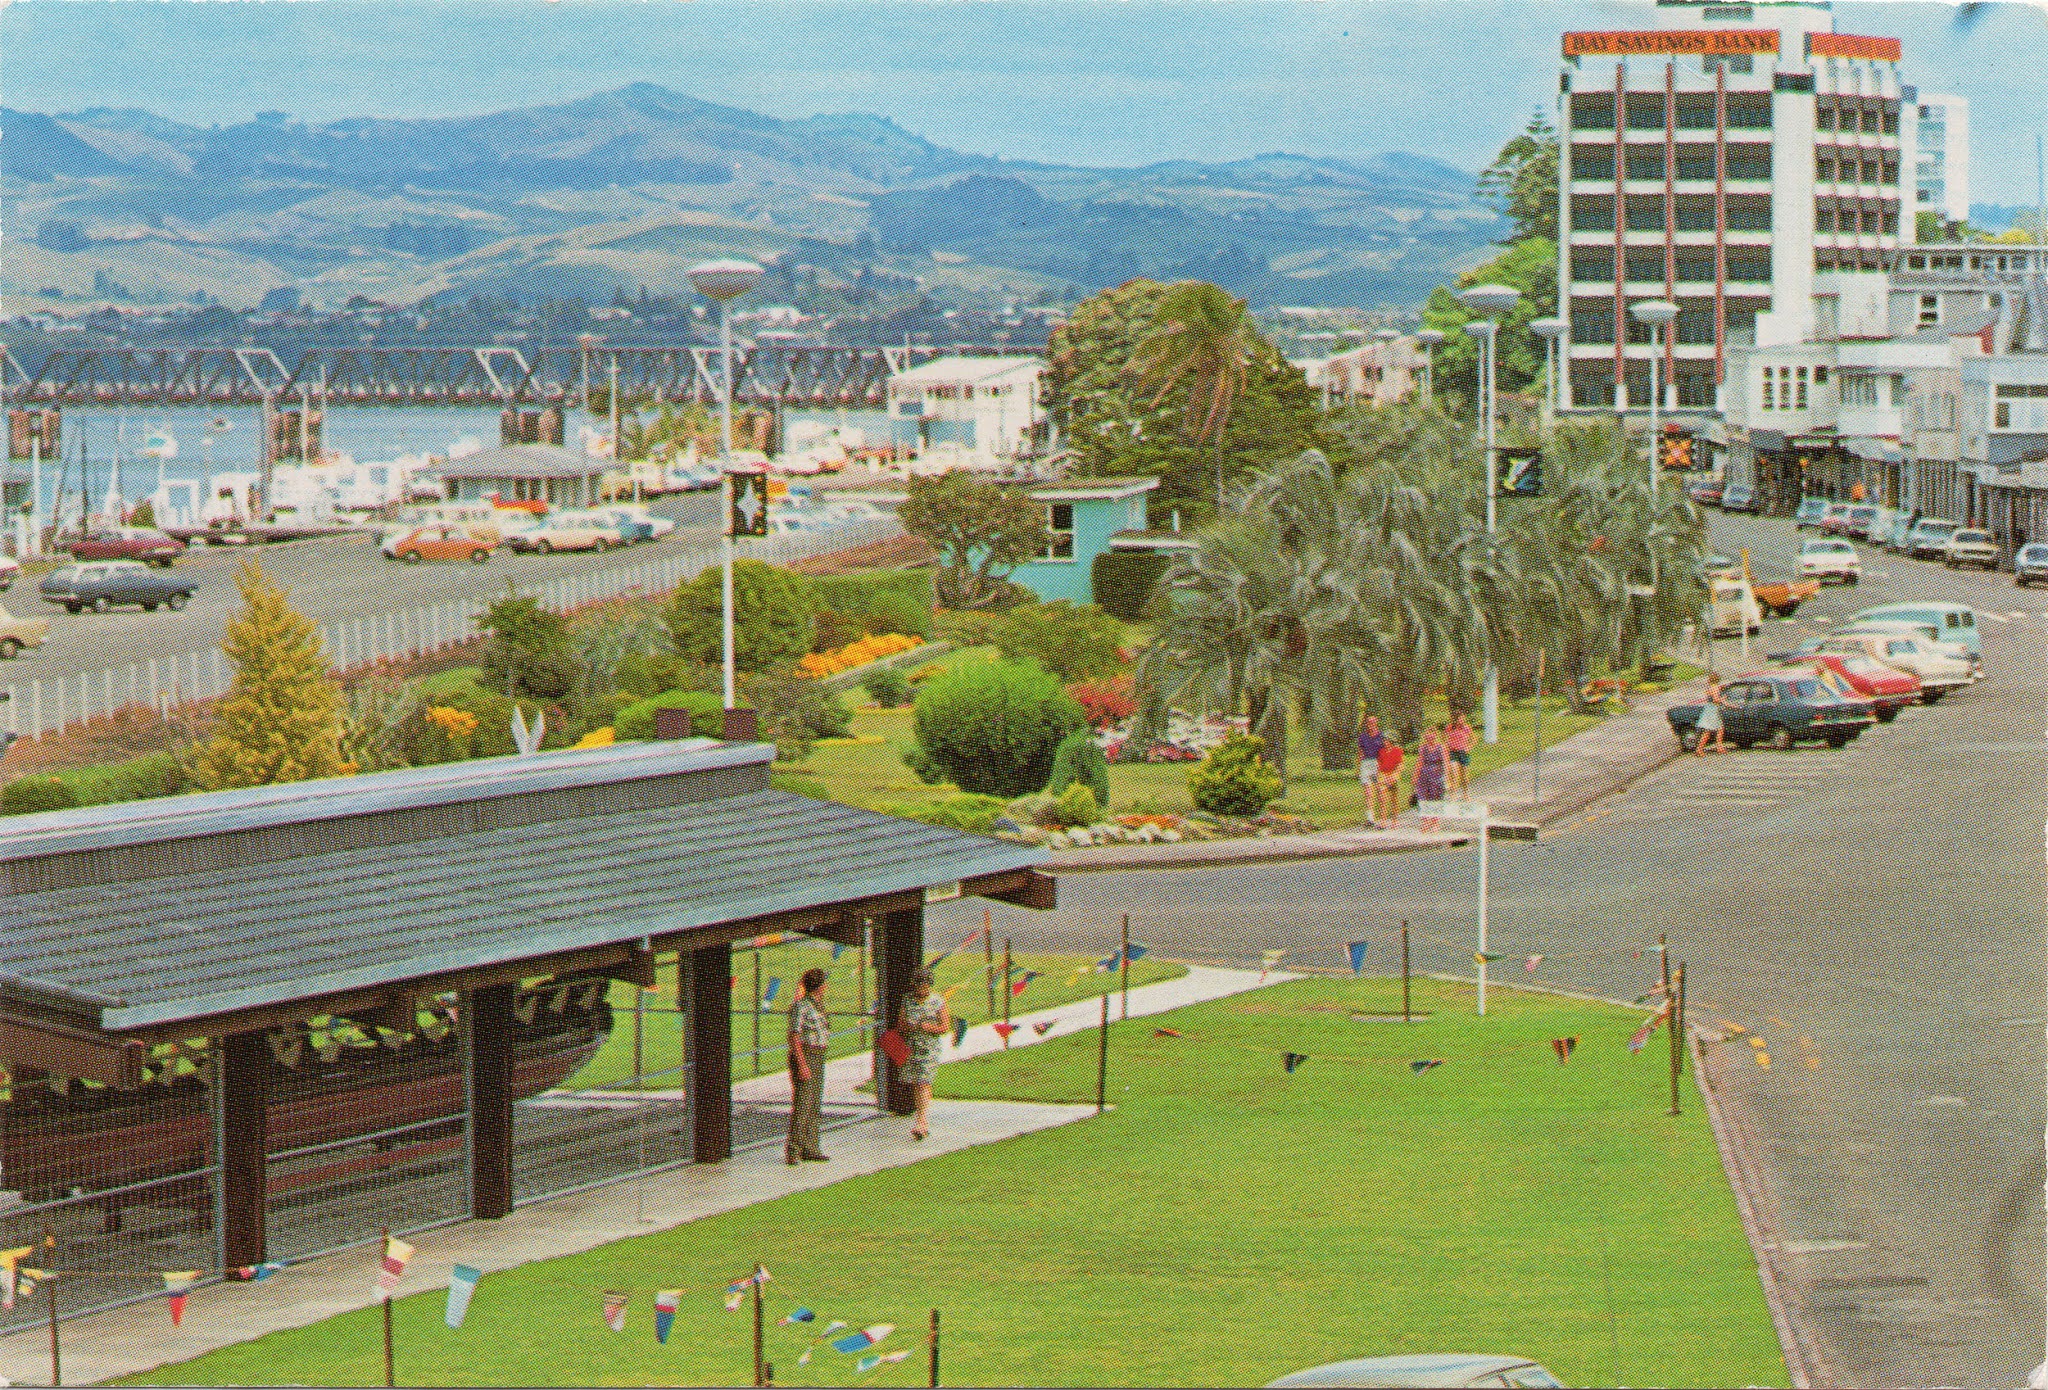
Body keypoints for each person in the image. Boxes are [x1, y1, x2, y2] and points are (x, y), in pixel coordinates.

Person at [785, 967, 832, 1165]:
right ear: (820, 986)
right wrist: (802, 1064)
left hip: (818, 1055)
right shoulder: (801, 1006)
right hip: (806, 1055)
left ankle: (810, 1146)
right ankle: (794, 1149)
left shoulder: (818, 1006)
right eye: (824, 983)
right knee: (803, 1104)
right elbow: (794, 1037)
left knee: (814, 1103)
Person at [896, 968, 949, 1141]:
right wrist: (909, 1026)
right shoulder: (907, 1001)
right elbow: (900, 1025)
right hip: (912, 1047)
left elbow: (945, 1026)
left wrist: (930, 1027)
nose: (922, 988)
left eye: (925, 985)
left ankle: (922, 1121)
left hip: (929, 1048)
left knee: (924, 1082)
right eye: (919, 985)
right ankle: (920, 1117)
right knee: (915, 1083)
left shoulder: (937, 1001)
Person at [1355, 715, 1388, 828]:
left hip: (1377, 763)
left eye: (1373, 723)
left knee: (1380, 791)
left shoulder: (1381, 736)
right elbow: (1360, 752)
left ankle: (1383, 819)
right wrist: (1359, 767)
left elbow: (1386, 751)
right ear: (1366, 724)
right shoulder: (1363, 737)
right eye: (1369, 723)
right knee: (1368, 792)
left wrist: (1384, 767)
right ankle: (1370, 818)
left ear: (1376, 723)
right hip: (1366, 764)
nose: (1371, 725)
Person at [1413, 726, 1447, 831]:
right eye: (1427, 736)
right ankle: (1425, 822)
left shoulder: (1441, 747)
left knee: (1435, 798)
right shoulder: (1423, 748)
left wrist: (1447, 778)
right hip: (1424, 774)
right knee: (1422, 797)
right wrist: (1415, 776)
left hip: (1437, 774)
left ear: (1435, 736)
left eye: (1432, 735)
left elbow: (1446, 763)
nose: (1429, 738)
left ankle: (1435, 822)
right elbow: (1420, 762)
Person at [1374, 732, 1405, 826]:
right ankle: (1383, 820)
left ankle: (1394, 820)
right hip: (1383, 774)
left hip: (1393, 774)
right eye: (1384, 740)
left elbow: (1400, 764)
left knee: (1394, 798)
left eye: (1386, 740)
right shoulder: (1381, 751)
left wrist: (1395, 775)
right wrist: (1379, 776)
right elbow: (1379, 765)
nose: (1384, 742)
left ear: (1391, 741)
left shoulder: (1397, 750)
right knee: (1382, 797)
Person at [1694, 675, 1727, 757]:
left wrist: (1721, 688)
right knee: (1708, 731)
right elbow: (1716, 700)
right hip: (1712, 711)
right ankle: (1699, 749)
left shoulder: (1711, 687)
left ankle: (1719, 747)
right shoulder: (1715, 688)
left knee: (1720, 728)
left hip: (1710, 709)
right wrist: (1722, 699)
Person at [1444, 711, 1474, 799]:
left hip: (1463, 752)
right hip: (1452, 752)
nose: (1461, 720)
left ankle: (1465, 794)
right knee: (1454, 772)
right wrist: (1447, 746)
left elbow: (1473, 739)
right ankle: (1453, 794)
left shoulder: (1466, 728)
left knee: (1464, 774)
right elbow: (1444, 739)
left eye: (1462, 718)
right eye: (1459, 718)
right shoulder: (1449, 727)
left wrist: (1468, 747)